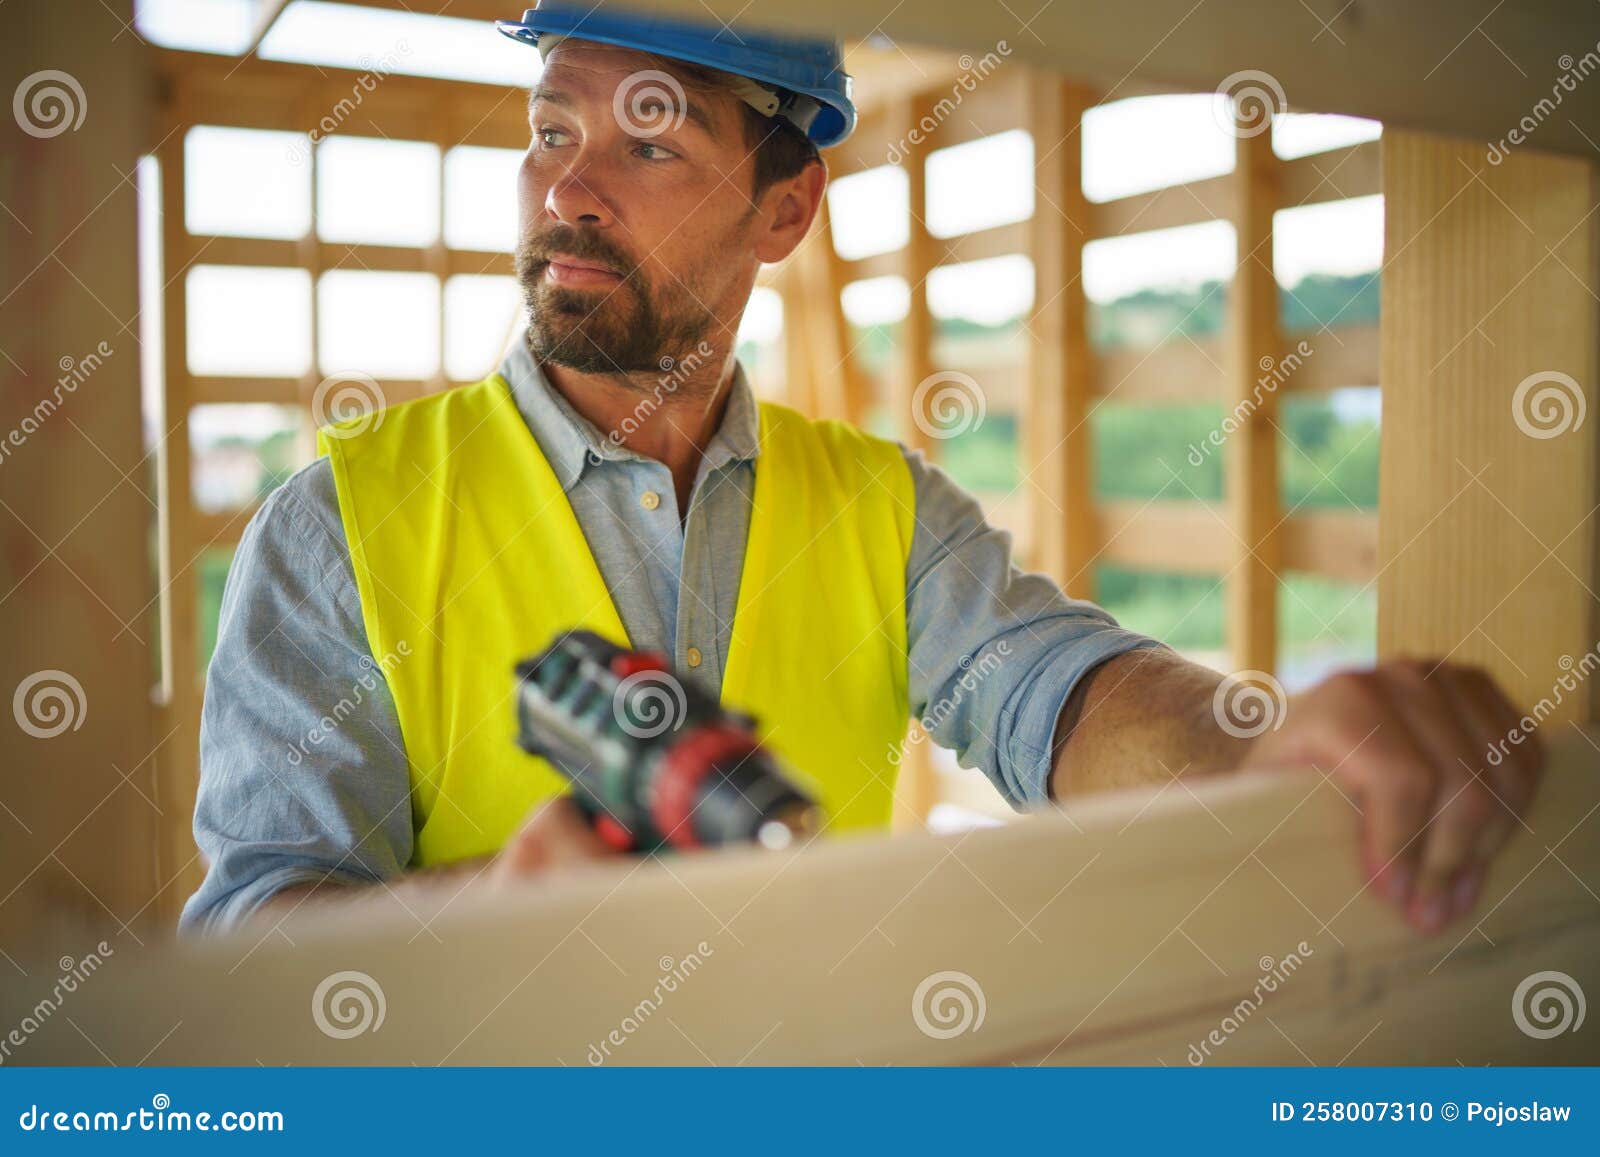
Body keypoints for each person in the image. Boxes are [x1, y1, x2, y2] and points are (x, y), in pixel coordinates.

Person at [181, 2, 1542, 940]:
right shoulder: (336, 526)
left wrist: (1258, 741)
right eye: (551, 128)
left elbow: (1061, 699)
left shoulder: (886, 511)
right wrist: (489, 916)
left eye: (646, 140)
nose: (565, 189)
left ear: (785, 208)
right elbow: (253, 942)